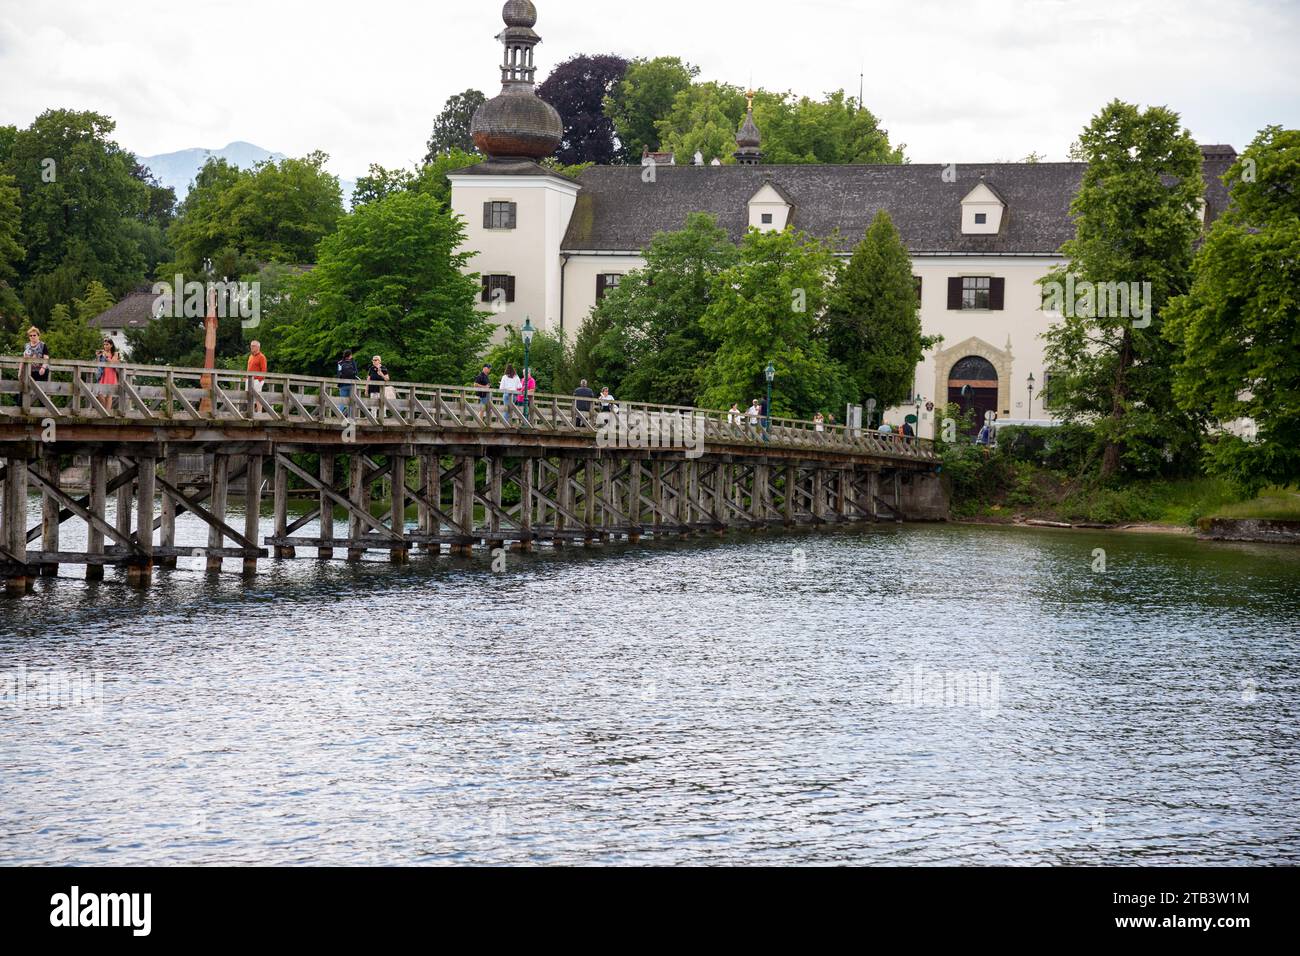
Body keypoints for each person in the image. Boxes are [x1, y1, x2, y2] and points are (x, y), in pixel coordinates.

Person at [95, 339, 120, 411]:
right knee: (99, 393)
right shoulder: (102, 353)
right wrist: (98, 356)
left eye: (107, 344)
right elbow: (98, 364)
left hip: (111, 374)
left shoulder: (115, 353)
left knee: (109, 395)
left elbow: (113, 363)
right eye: (104, 344)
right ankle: (105, 410)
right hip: (103, 374)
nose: (105, 346)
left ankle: (107, 412)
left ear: (111, 345)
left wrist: (106, 356)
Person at [247, 341, 267, 413]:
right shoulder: (250, 356)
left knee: (257, 396)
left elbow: (264, 370)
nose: (251, 347)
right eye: (251, 345)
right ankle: (250, 411)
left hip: (257, 380)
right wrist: (246, 377)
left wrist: (259, 380)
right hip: (249, 379)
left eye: (253, 346)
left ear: (258, 347)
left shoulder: (262, 357)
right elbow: (248, 368)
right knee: (248, 395)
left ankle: (259, 412)